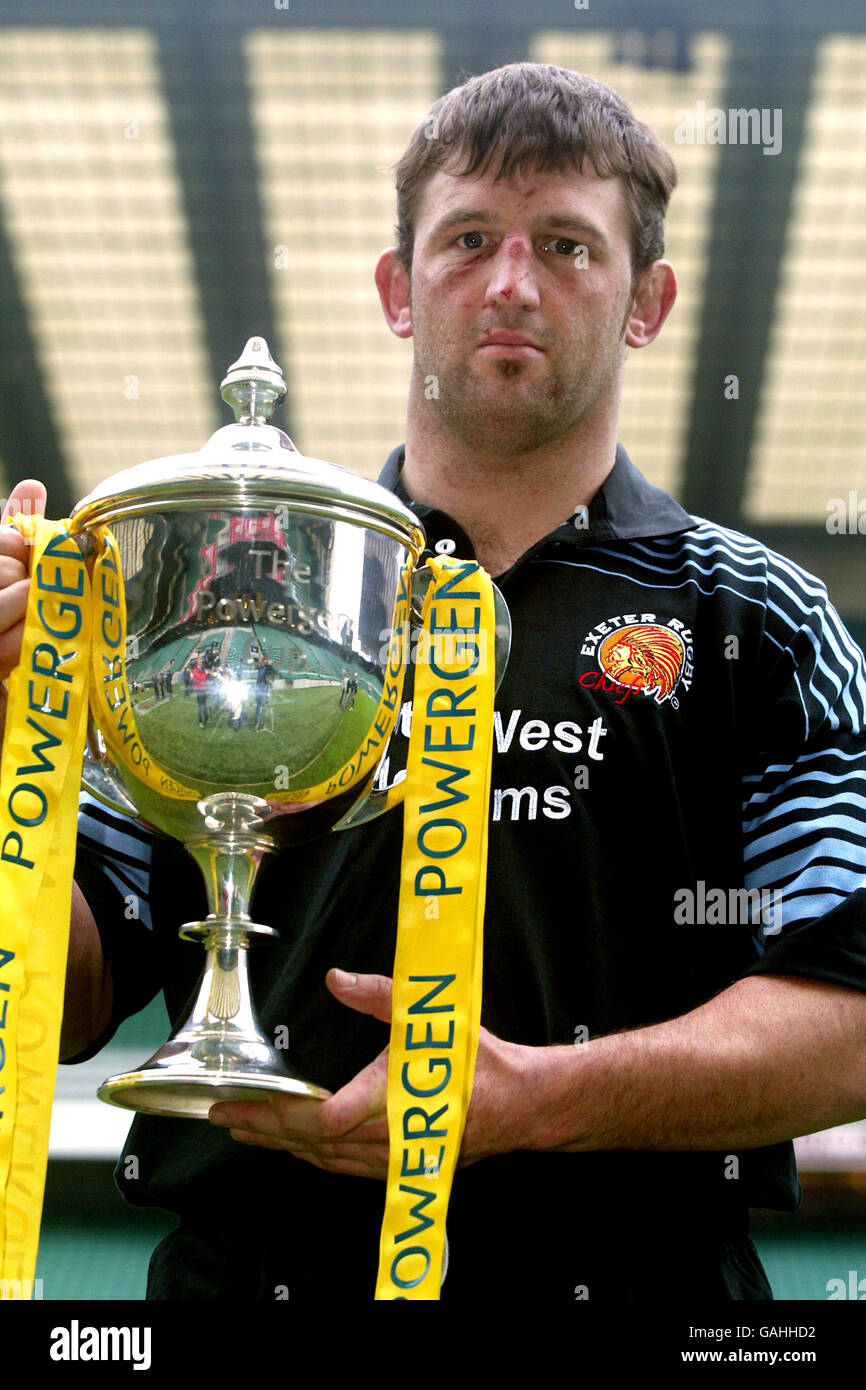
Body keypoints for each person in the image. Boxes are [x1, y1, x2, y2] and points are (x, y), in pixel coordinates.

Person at [2, 62, 866, 1304]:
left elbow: (848, 1013)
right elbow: (71, 995)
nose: (510, 282)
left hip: (651, 1294)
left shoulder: (762, 620)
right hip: (248, 1285)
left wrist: (536, 1103)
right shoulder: (218, 589)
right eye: (467, 239)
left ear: (648, 301)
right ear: (400, 289)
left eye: (566, 244)